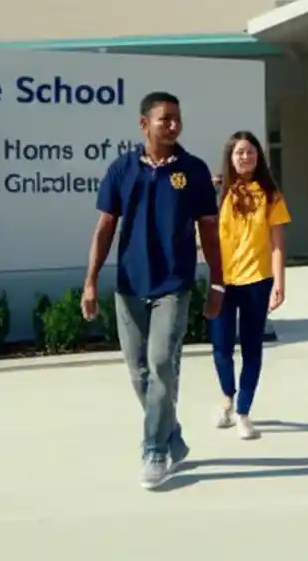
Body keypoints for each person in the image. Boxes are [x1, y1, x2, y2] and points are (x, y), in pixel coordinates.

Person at [81, 90, 223, 491]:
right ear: (144, 125)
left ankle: (154, 450)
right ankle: (171, 435)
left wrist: (217, 282)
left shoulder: (192, 171)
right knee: (138, 371)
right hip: (129, 285)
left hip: (174, 284)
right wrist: (90, 281)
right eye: (165, 119)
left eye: (177, 118)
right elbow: (105, 227)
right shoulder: (122, 169)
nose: (173, 125)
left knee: (161, 363)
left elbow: (209, 233)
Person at [210, 131, 290, 441]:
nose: (246, 157)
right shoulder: (219, 193)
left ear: (259, 157)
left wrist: (279, 283)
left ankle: (243, 412)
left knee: (252, 348)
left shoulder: (270, 195)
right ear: (231, 157)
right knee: (220, 346)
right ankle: (227, 396)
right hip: (223, 281)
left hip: (257, 280)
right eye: (240, 152)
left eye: (251, 152)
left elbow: (278, 245)